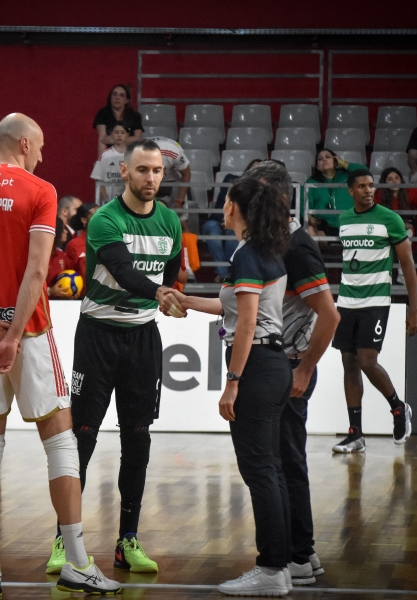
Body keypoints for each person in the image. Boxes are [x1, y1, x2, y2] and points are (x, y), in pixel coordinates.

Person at [0, 113, 119, 596]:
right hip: (27, 332)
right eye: (39, 146)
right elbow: (37, 273)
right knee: (59, 440)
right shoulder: (39, 190)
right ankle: (76, 561)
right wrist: (14, 334)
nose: (43, 155)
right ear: (22, 143)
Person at [45, 139, 183, 576]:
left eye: (157, 171)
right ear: (123, 173)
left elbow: (171, 271)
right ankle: (64, 542)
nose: (151, 179)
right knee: (82, 438)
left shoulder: (170, 223)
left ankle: (128, 541)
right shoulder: (105, 220)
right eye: (142, 170)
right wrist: (160, 292)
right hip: (98, 337)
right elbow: (125, 272)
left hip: (143, 339)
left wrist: (166, 294)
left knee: (137, 440)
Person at [161, 177, 294, 596]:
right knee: (269, 468)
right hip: (271, 364)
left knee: (260, 470)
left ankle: (272, 570)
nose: (222, 207)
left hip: (257, 367)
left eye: (227, 201)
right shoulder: (261, 250)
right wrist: (184, 300)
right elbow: (231, 306)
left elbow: (249, 323)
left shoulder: (248, 254)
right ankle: (281, 566)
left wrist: (232, 383)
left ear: (236, 207)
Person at [248, 160, 341, 585]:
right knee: (284, 462)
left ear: (276, 193)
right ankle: (303, 554)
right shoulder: (274, 241)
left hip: (287, 368)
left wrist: (304, 369)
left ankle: (299, 555)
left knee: (285, 463)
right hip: (280, 367)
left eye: (255, 188)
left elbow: (330, 315)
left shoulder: (296, 246)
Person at [332, 170, 417, 454]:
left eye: (371, 185)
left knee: (367, 360)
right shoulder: (343, 221)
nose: (368, 190)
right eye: (362, 186)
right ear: (350, 191)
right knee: (348, 362)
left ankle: (398, 408)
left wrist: (414, 309)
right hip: (346, 302)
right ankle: (355, 434)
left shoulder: (390, 219)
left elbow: (408, 265)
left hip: (375, 301)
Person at [203, 159, 261, 282]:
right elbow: (221, 204)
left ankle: (226, 273)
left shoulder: (260, 193)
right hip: (219, 219)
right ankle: (224, 273)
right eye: (253, 168)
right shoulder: (232, 181)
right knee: (211, 227)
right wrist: (227, 219)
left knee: (234, 232)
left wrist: (233, 221)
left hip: (238, 224)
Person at [305, 149, 367, 237]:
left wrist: (344, 164)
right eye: (320, 159)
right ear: (318, 167)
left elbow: (365, 173)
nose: (324, 160)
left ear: (335, 161)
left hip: (350, 223)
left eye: (328, 157)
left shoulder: (348, 177)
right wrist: (309, 217)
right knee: (310, 230)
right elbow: (305, 204)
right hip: (323, 226)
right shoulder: (311, 182)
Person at [376, 167, 415, 285]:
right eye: (390, 179)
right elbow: (378, 218)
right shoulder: (379, 195)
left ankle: (402, 275)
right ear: (384, 183)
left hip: (405, 231)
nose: (394, 181)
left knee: (407, 235)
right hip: (386, 230)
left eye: (397, 178)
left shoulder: (408, 193)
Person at [144, 135, 191, 216]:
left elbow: (186, 173)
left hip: (173, 179)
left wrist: (180, 201)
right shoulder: (138, 154)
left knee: (180, 215)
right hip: (145, 180)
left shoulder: (173, 152)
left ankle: (183, 226)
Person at [93, 84, 143, 156]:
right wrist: (101, 162)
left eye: (121, 95)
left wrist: (115, 140)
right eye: (114, 94)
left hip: (130, 154)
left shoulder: (135, 116)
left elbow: (138, 139)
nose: (117, 98)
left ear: (126, 100)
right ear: (110, 98)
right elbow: (103, 139)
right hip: (109, 153)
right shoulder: (103, 113)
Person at [91, 122, 128, 202]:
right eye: (116, 132)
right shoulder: (105, 155)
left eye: (122, 132)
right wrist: (106, 199)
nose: (119, 135)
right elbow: (99, 180)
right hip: (109, 201)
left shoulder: (133, 154)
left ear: (127, 135)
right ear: (111, 134)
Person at [63, 203, 99, 283]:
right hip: (83, 294)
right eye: (96, 215)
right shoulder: (74, 245)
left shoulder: (110, 241)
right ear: (84, 220)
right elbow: (68, 275)